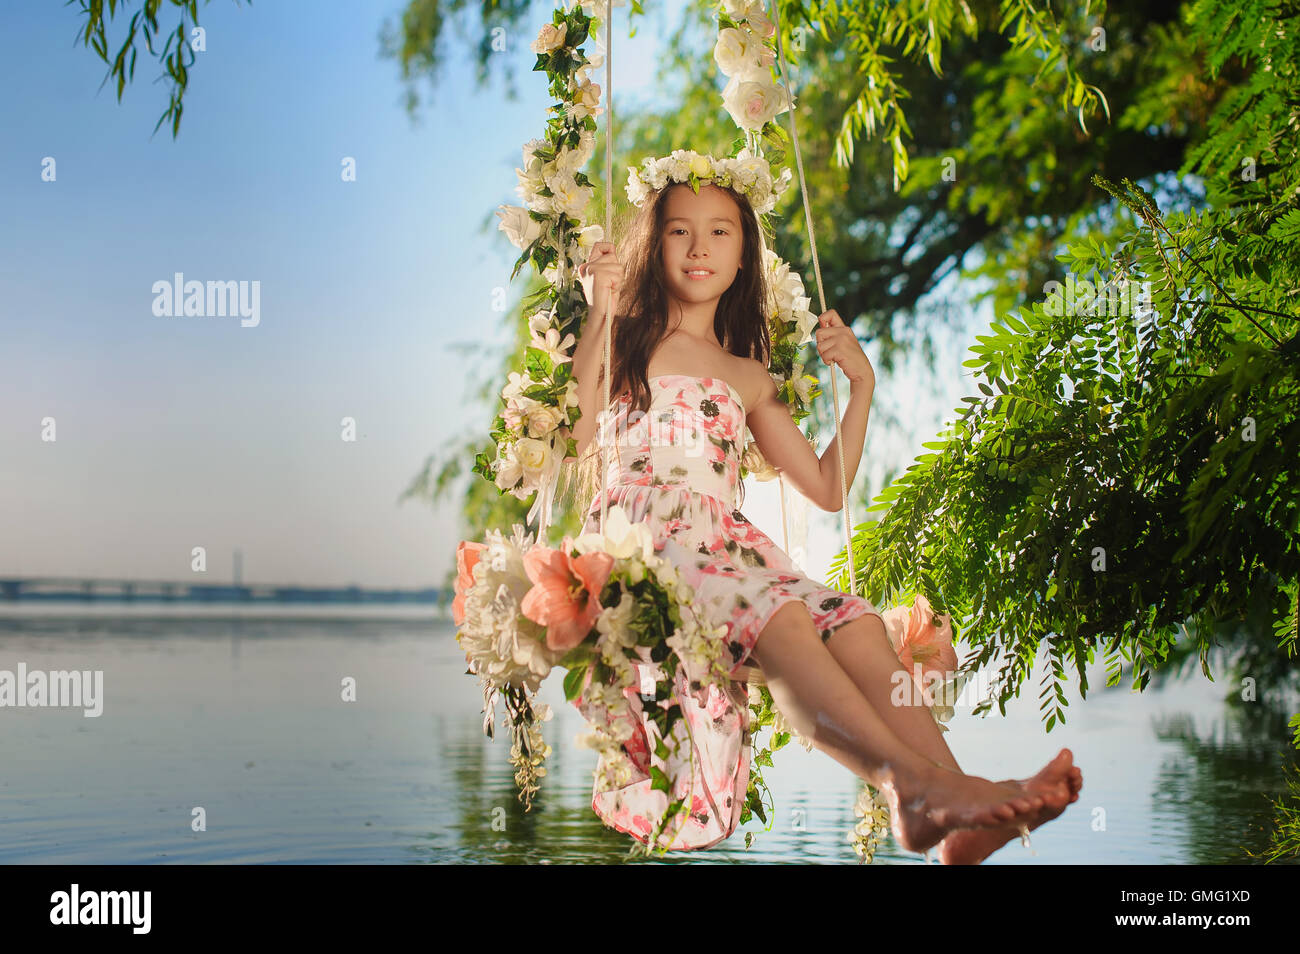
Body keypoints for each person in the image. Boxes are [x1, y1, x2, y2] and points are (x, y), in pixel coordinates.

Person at [564, 153, 1081, 863]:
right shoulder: (627, 336)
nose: (698, 248)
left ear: (743, 257)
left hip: (723, 547)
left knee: (856, 622)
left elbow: (828, 487)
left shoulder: (748, 376)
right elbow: (578, 432)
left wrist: (861, 387)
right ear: (654, 247)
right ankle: (910, 789)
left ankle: (957, 813)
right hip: (643, 543)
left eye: (719, 232)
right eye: (680, 231)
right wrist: (599, 310)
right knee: (778, 617)